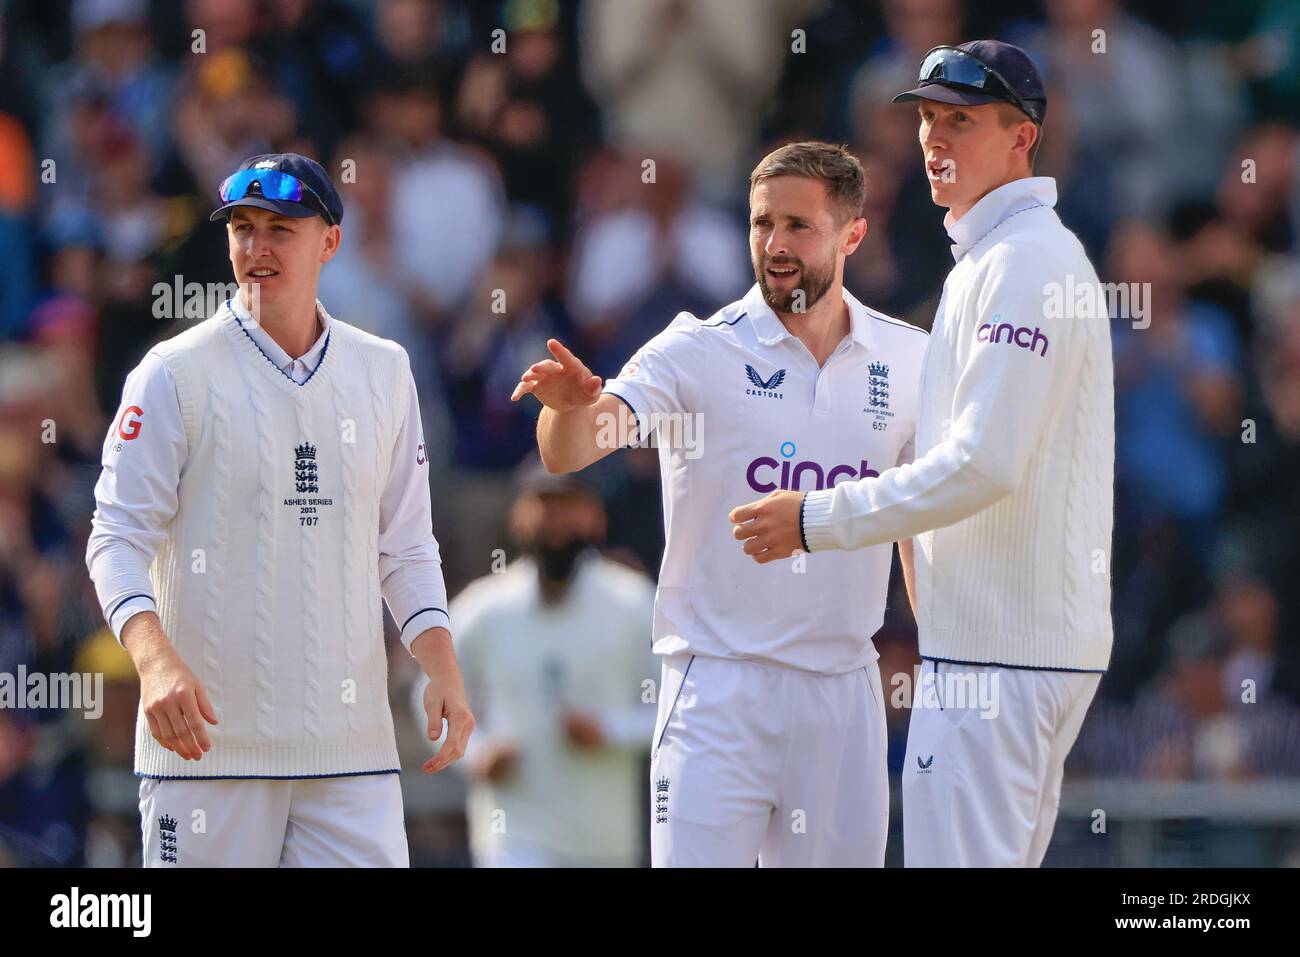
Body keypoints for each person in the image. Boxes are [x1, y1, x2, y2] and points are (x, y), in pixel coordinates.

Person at [729, 41, 1115, 867]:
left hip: (999, 658)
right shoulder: (998, 258)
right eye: (929, 119)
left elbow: (986, 462)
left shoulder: (1023, 262)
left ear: (1024, 138)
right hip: (999, 651)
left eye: (963, 121)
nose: (935, 139)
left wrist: (816, 519)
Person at [511, 141, 928, 867]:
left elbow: (918, 525)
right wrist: (568, 409)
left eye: (799, 225)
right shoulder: (695, 350)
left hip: (843, 687)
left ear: (852, 235)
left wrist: (948, 658)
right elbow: (572, 449)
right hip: (715, 689)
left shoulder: (912, 359)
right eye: (762, 223)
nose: (775, 244)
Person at [85, 152, 473, 867]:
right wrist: (155, 661)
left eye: (280, 230)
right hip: (205, 751)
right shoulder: (171, 373)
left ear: (330, 240)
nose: (257, 249)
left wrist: (441, 667)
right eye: (243, 229)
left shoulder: (385, 369)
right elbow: (114, 536)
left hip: (350, 750)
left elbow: (407, 545)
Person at [414, 456, 657, 867]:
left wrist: (609, 730)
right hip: (512, 835)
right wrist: (477, 752)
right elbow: (431, 692)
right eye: (543, 503)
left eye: (567, 504)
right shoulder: (483, 608)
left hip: (603, 841)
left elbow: (673, 707)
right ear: (517, 516)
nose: (554, 519)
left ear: (596, 516)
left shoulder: (633, 602)